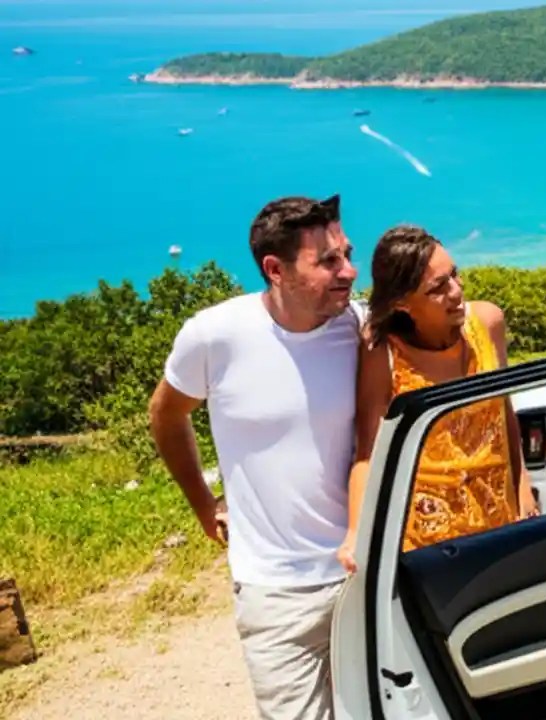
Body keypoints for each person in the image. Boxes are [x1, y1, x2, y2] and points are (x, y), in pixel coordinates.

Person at [148, 194, 360, 720]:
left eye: (347, 254)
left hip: (364, 572)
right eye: (328, 261)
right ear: (275, 270)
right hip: (275, 590)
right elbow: (166, 415)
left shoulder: (359, 328)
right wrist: (204, 504)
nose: (349, 271)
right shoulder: (215, 335)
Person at [338, 224, 537, 573]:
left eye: (454, 275)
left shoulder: (487, 322)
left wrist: (523, 488)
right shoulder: (383, 350)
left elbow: (504, 413)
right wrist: (357, 532)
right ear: (401, 303)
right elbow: (369, 450)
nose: (457, 292)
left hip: (500, 525)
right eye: (438, 287)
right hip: (426, 548)